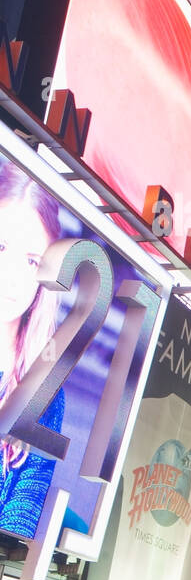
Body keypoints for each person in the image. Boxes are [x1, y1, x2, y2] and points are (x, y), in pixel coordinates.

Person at [0, 159, 65, 539]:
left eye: (30, 261)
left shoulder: (46, 396)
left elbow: (18, 526)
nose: (10, 275)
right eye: (1, 245)